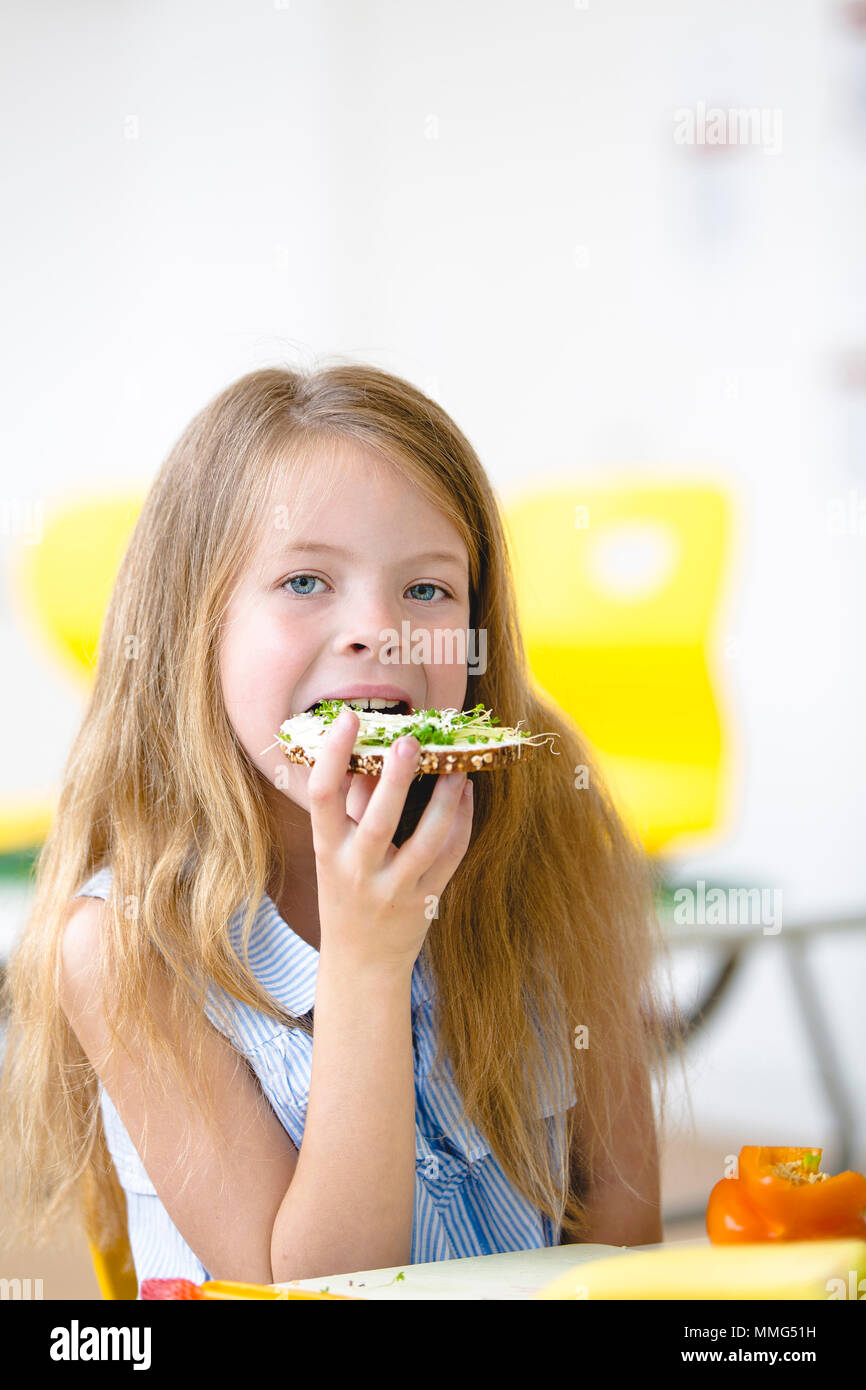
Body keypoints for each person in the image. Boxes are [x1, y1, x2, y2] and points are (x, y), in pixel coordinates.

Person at [0, 363, 682, 1293]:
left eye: (429, 591)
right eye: (307, 580)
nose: (379, 630)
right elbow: (319, 1294)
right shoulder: (124, 947)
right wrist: (367, 958)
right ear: (194, 628)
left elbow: (622, 1238)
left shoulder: (545, 827)